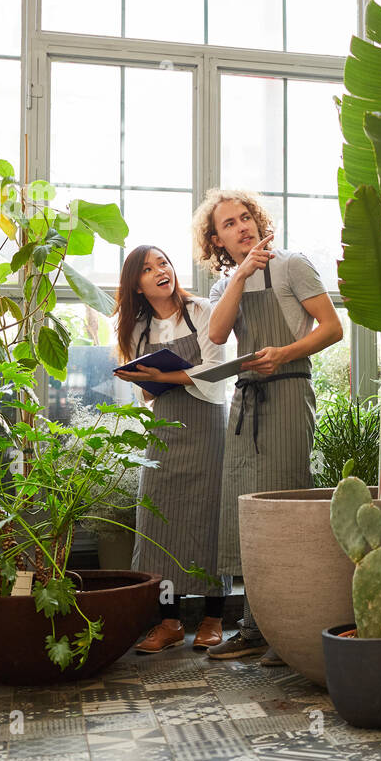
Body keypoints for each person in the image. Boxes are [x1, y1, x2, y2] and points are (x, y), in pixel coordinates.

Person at [194, 189, 343, 664]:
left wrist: (283, 353)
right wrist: (239, 274)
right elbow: (217, 335)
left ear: (258, 220)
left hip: (288, 392)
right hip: (245, 403)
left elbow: (331, 328)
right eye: (229, 224)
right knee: (248, 513)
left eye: (245, 218)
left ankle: (291, 629)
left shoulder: (292, 265)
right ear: (217, 240)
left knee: (285, 506)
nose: (242, 227)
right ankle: (257, 628)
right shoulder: (225, 285)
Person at [112, 245, 230, 653]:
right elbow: (146, 395)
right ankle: (169, 621)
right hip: (163, 428)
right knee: (157, 523)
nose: (161, 270)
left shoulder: (202, 310)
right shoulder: (136, 329)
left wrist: (166, 372)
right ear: (138, 286)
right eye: (148, 269)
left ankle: (214, 618)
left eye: (164, 262)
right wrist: (147, 379)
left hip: (208, 426)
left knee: (211, 517)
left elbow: (217, 373)